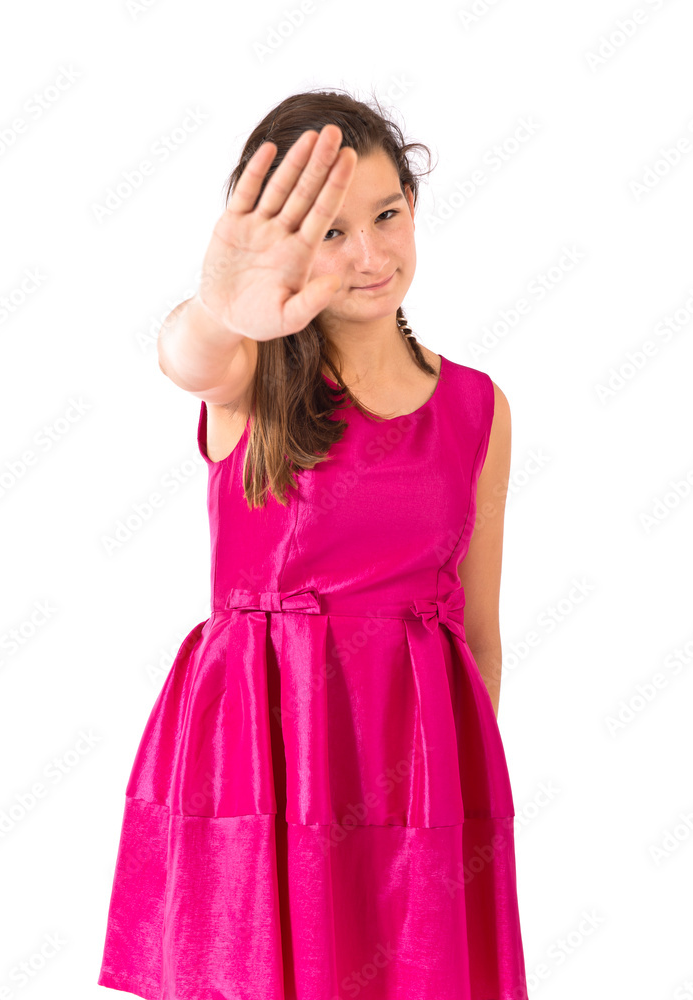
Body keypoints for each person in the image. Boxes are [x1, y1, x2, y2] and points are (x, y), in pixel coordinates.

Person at [97, 88, 528, 1000]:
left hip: (414, 788)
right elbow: (187, 358)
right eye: (332, 231)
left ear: (415, 207)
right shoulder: (249, 372)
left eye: (387, 215)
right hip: (260, 764)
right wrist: (219, 309)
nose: (370, 254)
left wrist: (442, 813)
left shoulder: (478, 408)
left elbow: (480, 638)